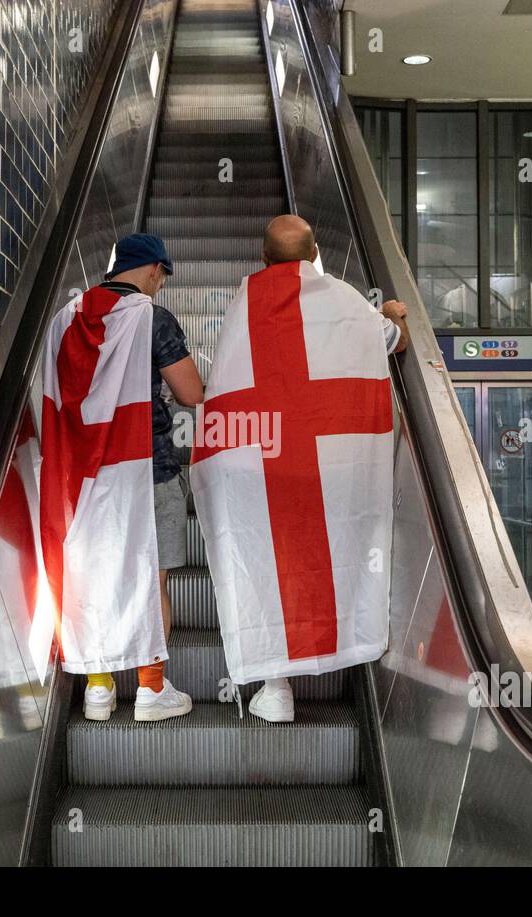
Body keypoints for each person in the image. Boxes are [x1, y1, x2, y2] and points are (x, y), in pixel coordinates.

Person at [190, 215, 407, 723]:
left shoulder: (244, 306)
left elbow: (225, 385)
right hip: (328, 464)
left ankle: (276, 686)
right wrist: (394, 315)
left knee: (266, 557)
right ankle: (341, 644)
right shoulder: (346, 299)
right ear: (313, 257)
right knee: (336, 546)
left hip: (258, 464)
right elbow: (392, 342)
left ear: (263, 258)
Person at [39, 232, 204, 723]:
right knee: (151, 575)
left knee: (95, 570)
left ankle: (99, 687)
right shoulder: (151, 317)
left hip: (82, 475)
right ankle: (152, 689)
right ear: (156, 269)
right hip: (147, 466)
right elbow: (191, 392)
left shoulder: (62, 320)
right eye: (163, 277)